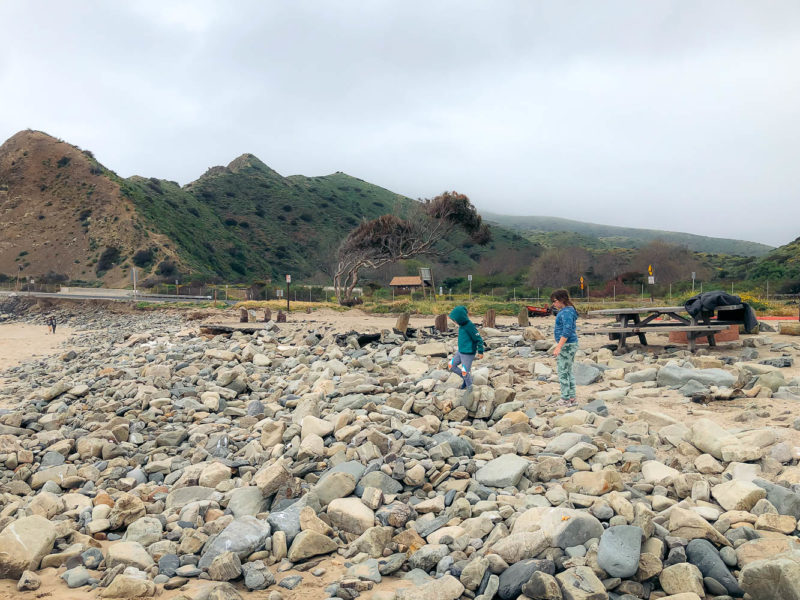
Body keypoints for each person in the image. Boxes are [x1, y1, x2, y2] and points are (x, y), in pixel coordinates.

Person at [550, 289, 579, 407]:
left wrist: (559, 347)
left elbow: (567, 330)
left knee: (563, 371)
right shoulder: (567, 311)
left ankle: (565, 398)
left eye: (555, 301)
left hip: (567, 345)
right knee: (568, 370)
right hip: (570, 344)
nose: (553, 304)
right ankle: (572, 397)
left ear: (562, 300)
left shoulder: (567, 312)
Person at [448, 305, 484, 390]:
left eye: (455, 320)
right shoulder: (461, 325)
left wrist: (480, 351)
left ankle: (470, 389)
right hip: (460, 352)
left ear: (461, 318)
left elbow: (479, 339)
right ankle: (466, 379)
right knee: (451, 366)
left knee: (465, 372)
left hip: (468, 353)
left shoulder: (469, 326)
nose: (454, 322)